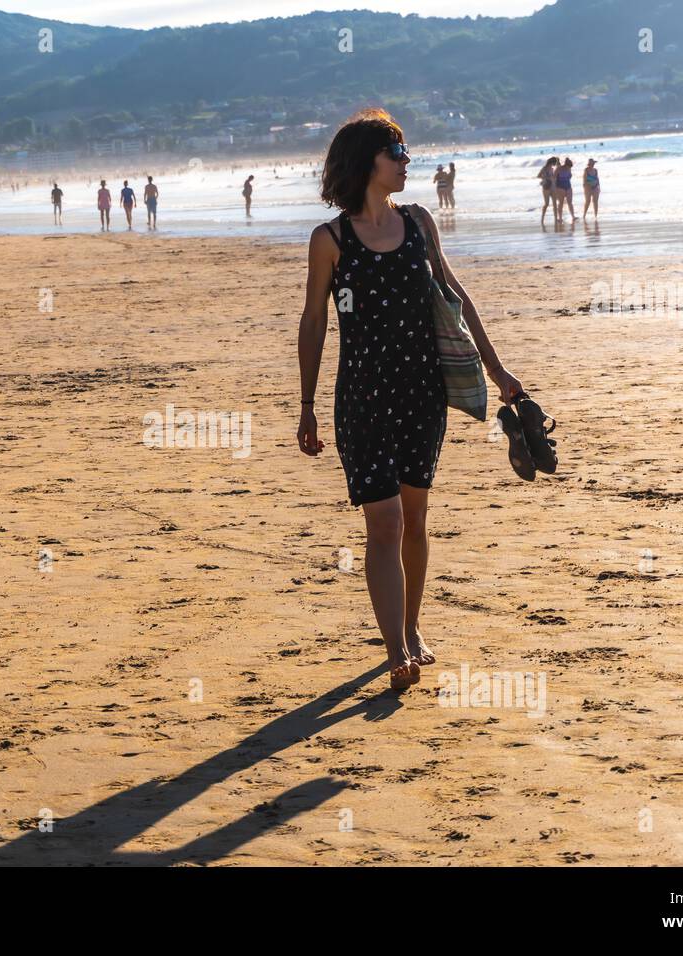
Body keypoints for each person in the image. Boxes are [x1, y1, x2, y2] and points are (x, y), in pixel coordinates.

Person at [297, 109, 522, 691]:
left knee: (416, 516)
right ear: (366, 161)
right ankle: (396, 648)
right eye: (396, 152)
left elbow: (454, 293)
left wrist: (496, 370)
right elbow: (315, 321)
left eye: (406, 153)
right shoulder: (332, 240)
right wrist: (306, 404)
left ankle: (413, 627)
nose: (405, 162)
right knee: (386, 521)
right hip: (363, 399)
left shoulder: (420, 222)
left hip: (423, 394)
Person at [553, 158, 575, 224]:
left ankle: (573, 216)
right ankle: (560, 218)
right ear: (566, 165)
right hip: (560, 187)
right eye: (569, 166)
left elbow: (570, 176)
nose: (569, 168)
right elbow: (553, 178)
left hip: (568, 186)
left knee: (570, 202)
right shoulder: (558, 169)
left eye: (570, 167)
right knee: (561, 203)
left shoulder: (569, 168)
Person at [538, 157, 558, 226]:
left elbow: (553, 177)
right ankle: (542, 218)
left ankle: (556, 219)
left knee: (555, 204)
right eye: (554, 162)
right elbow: (538, 175)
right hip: (546, 187)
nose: (555, 164)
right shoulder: (544, 168)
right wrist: (546, 178)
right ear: (552, 162)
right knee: (546, 204)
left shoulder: (552, 169)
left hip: (553, 187)